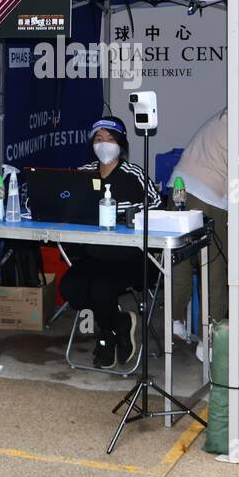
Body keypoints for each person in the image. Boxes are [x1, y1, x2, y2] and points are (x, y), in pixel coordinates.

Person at [58, 116, 162, 368]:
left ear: (121, 144)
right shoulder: (83, 174)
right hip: (92, 255)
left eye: (110, 139)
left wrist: (123, 216)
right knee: (71, 287)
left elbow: (158, 207)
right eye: (98, 138)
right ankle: (119, 324)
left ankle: (106, 336)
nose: (104, 144)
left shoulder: (133, 174)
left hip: (130, 257)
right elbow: (57, 201)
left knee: (101, 290)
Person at [169, 101, 239, 325]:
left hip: (179, 186)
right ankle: (209, 337)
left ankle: (173, 322)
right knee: (214, 268)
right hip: (207, 195)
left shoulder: (238, 111)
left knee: (180, 260)